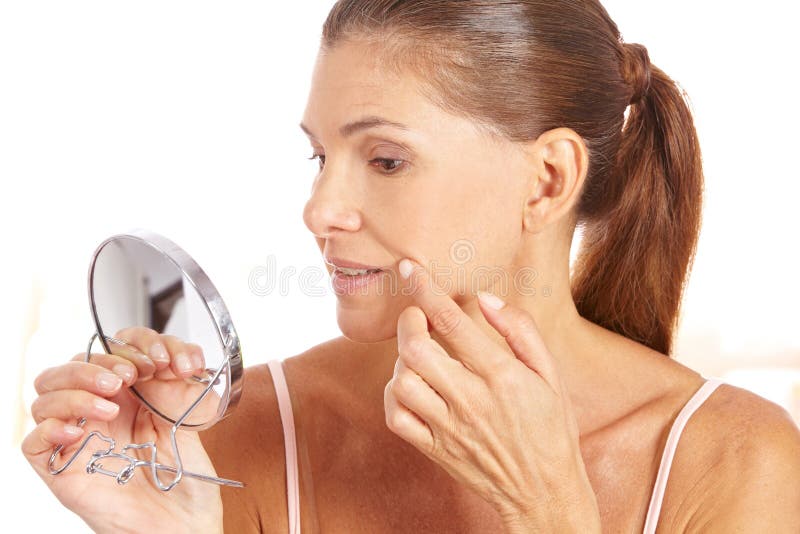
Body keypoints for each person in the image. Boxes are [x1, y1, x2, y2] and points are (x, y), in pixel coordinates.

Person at [22, 1, 800, 532]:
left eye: (386, 159)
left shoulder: (734, 462)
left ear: (549, 180)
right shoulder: (245, 437)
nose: (320, 208)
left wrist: (550, 510)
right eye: (320, 156)